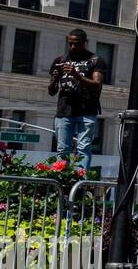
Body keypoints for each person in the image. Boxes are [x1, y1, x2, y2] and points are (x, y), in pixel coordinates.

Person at [46, 28, 107, 173]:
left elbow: (97, 85)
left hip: (87, 110)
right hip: (64, 110)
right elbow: (51, 91)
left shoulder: (95, 60)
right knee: (62, 149)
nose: (73, 47)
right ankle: (62, 180)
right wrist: (54, 79)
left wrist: (76, 75)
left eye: (77, 43)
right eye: (70, 43)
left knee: (83, 148)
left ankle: (79, 182)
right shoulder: (60, 60)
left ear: (85, 43)